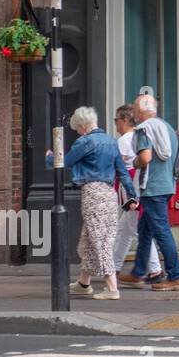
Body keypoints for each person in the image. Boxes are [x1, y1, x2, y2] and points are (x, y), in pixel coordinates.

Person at [60, 106, 133, 300]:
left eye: (77, 128)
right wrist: (132, 195)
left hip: (93, 193)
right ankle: (84, 283)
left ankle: (112, 288)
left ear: (83, 126)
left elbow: (64, 162)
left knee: (99, 240)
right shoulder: (111, 141)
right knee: (89, 240)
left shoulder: (85, 141)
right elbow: (123, 172)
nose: (77, 132)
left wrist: (51, 157)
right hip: (109, 193)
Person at [117, 94, 179, 291]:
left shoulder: (143, 129)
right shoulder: (167, 128)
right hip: (167, 184)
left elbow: (145, 157)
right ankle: (138, 272)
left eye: (135, 109)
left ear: (140, 111)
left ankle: (176, 276)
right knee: (145, 229)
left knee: (161, 231)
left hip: (151, 187)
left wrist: (135, 162)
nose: (134, 113)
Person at [110, 103, 162, 284]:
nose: (116, 124)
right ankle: (114, 267)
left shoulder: (124, 141)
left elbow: (115, 166)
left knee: (138, 229)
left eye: (117, 120)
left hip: (130, 188)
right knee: (126, 229)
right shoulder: (140, 136)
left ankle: (154, 270)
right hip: (139, 185)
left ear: (125, 120)